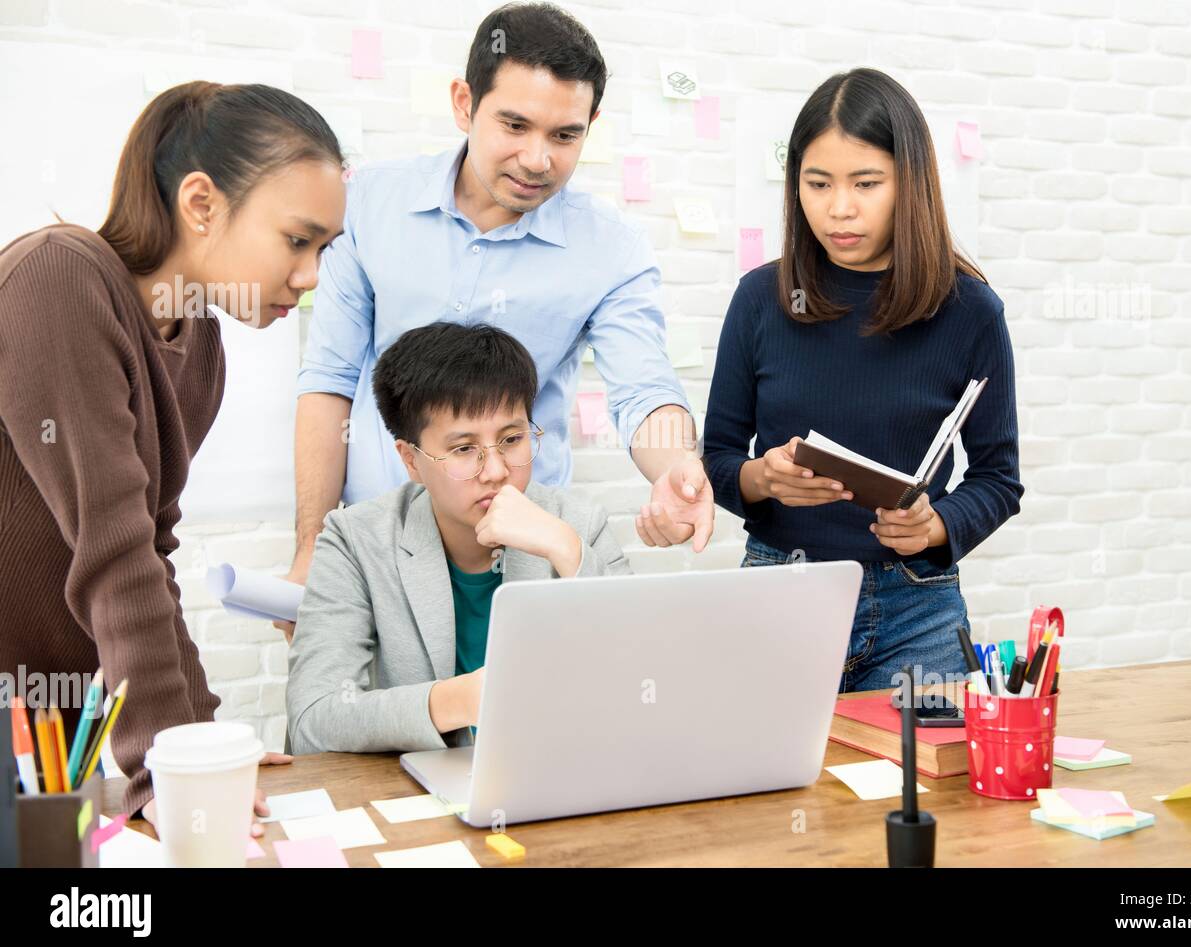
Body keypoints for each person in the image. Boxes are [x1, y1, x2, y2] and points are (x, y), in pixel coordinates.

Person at [286, 2, 711, 633]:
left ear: (592, 125)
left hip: (519, 556)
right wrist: (309, 549)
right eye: (515, 124)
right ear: (464, 103)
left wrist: (676, 466)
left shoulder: (611, 248)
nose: (539, 159)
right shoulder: (368, 205)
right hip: (375, 552)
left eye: (565, 135)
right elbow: (328, 381)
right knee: (368, 725)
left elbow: (644, 390)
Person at [0, 81, 347, 827]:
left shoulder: (202, 347)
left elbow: (149, 553)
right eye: (297, 239)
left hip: (53, 710)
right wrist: (172, 762)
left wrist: (204, 741)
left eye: (325, 248)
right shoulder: (57, 277)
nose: (312, 274)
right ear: (201, 203)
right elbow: (113, 548)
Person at [702, 68, 1024, 692]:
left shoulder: (971, 311)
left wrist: (934, 526)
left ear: (911, 184)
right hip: (777, 596)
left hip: (916, 612)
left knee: (924, 789)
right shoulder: (760, 300)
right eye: (817, 183)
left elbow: (997, 479)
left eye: (866, 184)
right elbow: (716, 458)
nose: (838, 208)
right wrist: (762, 478)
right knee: (764, 786)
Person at [287, 322, 629, 754]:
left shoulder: (576, 524)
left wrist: (567, 549)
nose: (496, 471)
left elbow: (642, 687)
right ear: (411, 460)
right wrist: (457, 701)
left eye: (512, 439)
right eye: (464, 449)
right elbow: (313, 719)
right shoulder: (355, 539)